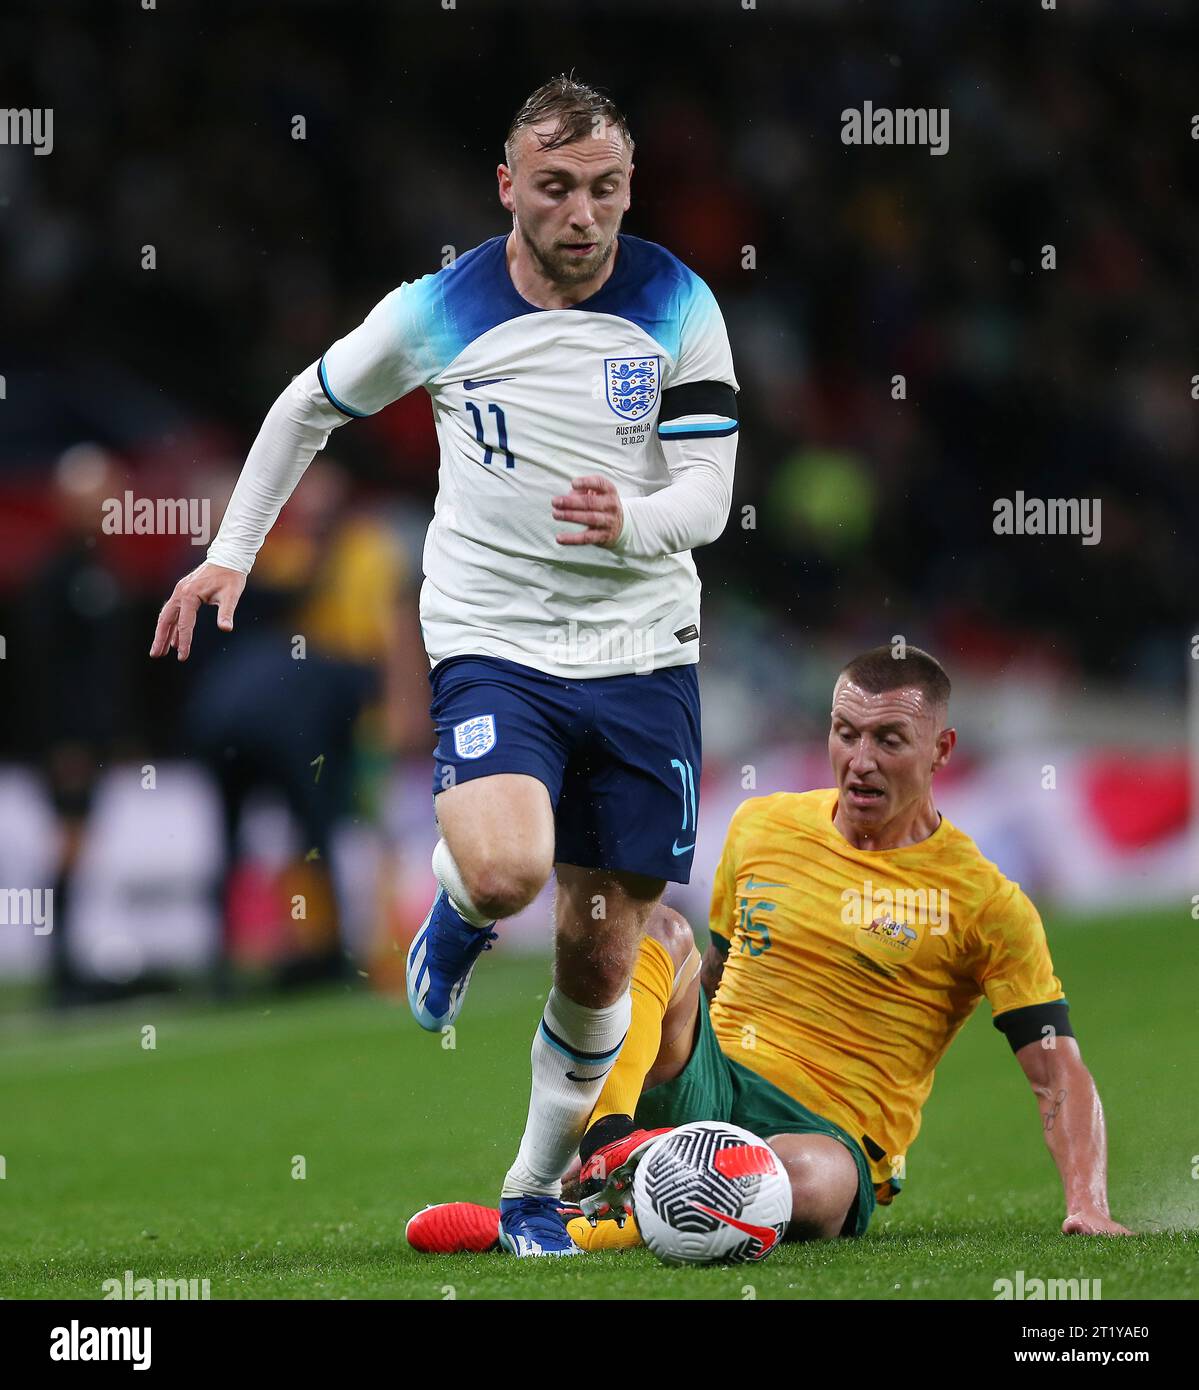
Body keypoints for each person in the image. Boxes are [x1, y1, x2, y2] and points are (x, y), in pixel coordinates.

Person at [150, 75, 740, 1256]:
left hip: (641, 651)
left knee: (597, 947)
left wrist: (628, 522)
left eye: (607, 188)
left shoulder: (676, 300)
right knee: (511, 866)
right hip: (495, 634)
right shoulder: (437, 308)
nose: (584, 214)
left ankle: (531, 1186)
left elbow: (710, 499)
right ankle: (460, 912)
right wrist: (229, 556)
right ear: (507, 185)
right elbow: (303, 409)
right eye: (558, 187)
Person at [407, 645, 1132, 1253]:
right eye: (845, 733)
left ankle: (586, 1224)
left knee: (810, 1183)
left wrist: (1086, 1201)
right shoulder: (763, 826)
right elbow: (713, 974)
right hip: (709, 1079)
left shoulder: (986, 903)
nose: (860, 761)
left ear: (941, 749)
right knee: (655, 928)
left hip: (826, 1132)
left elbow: (1053, 1069)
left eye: (888, 740)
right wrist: (668, 1034)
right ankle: (611, 1142)